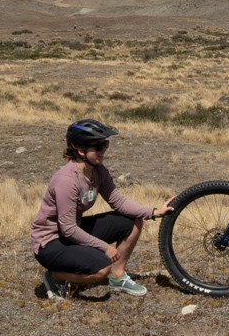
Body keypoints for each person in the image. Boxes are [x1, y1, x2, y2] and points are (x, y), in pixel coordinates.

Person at [30, 119, 173, 298]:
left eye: (105, 144)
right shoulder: (66, 180)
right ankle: (54, 276)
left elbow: (118, 202)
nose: (103, 150)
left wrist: (153, 212)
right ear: (80, 150)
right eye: (98, 146)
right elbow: (67, 228)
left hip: (73, 230)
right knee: (102, 268)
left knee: (133, 220)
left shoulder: (98, 170)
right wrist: (104, 247)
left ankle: (118, 277)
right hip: (51, 241)